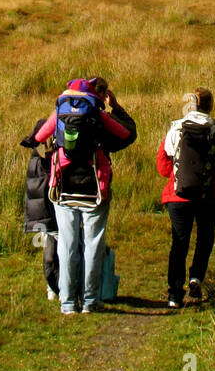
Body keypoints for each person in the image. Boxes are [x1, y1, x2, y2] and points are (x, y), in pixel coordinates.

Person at [30, 77, 136, 314]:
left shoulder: (60, 112)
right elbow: (125, 134)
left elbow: (38, 137)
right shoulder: (98, 115)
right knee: (93, 245)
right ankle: (89, 301)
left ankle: (67, 303)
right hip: (94, 190)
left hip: (63, 189)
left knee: (67, 246)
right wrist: (115, 108)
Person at [157, 87, 215, 309]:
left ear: (190, 105)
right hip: (208, 196)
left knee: (179, 242)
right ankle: (196, 277)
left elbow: (162, 166)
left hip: (178, 194)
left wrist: (180, 175)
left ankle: (174, 294)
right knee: (205, 238)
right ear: (210, 106)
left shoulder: (175, 129)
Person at [20, 120, 59, 300]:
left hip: (40, 216)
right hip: (49, 214)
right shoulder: (47, 160)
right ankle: (57, 288)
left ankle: (53, 289)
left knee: (49, 251)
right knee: (55, 252)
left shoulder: (35, 160)